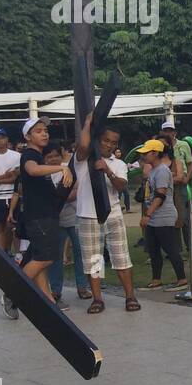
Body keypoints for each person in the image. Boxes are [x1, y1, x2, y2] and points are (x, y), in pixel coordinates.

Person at [75, 114, 140, 313]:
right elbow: (83, 146)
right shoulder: (83, 159)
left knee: (122, 257)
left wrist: (108, 171)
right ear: (97, 139)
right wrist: (87, 124)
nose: (110, 145)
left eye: (114, 143)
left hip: (112, 214)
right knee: (94, 259)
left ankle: (130, 296)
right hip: (88, 215)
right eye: (106, 141)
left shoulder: (118, 163)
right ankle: (97, 299)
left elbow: (121, 186)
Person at [17, 118, 74, 306]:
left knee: (38, 258)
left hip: (44, 214)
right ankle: (12, 293)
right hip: (40, 216)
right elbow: (32, 170)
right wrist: (61, 168)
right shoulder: (29, 155)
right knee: (46, 258)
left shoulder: (38, 155)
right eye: (38, 131)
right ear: (28, 136)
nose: (44, 134)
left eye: (45, 130)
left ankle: (48, 301)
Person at [139, 140, 187, 289]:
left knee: (170, 248)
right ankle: (156, 279)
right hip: (154, 217)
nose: (144, 156)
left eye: (147, 153)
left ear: (156, 153)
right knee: (153, 249)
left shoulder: (162, 171)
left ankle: (182, 279)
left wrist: (148, 214)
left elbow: (161, 195)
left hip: (163, 216)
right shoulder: (154, 170)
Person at [48, 142, 90, 304]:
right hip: (56, 219)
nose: (52, 159)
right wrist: (63, 194)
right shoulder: (44, 173)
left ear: (61, 155)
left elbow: (77, 190)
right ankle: (56, 289)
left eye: (55, 156)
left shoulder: (68, 169)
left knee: (80, 253)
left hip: (75, 216)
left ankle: (82, 287)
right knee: (56, 255)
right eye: (49, 157)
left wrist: (59, 196)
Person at [159, 120, 192, 256]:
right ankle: (175, 250)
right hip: (167, 186)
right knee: (171, 218)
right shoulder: (160, 146)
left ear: (175, 132)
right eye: (166, 131)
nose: (168, 133)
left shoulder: (183, 145)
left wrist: (187, 178)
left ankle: (191, 247)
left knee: (184, 217)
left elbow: (191, 164)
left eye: (170, 130)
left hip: (180, 185)